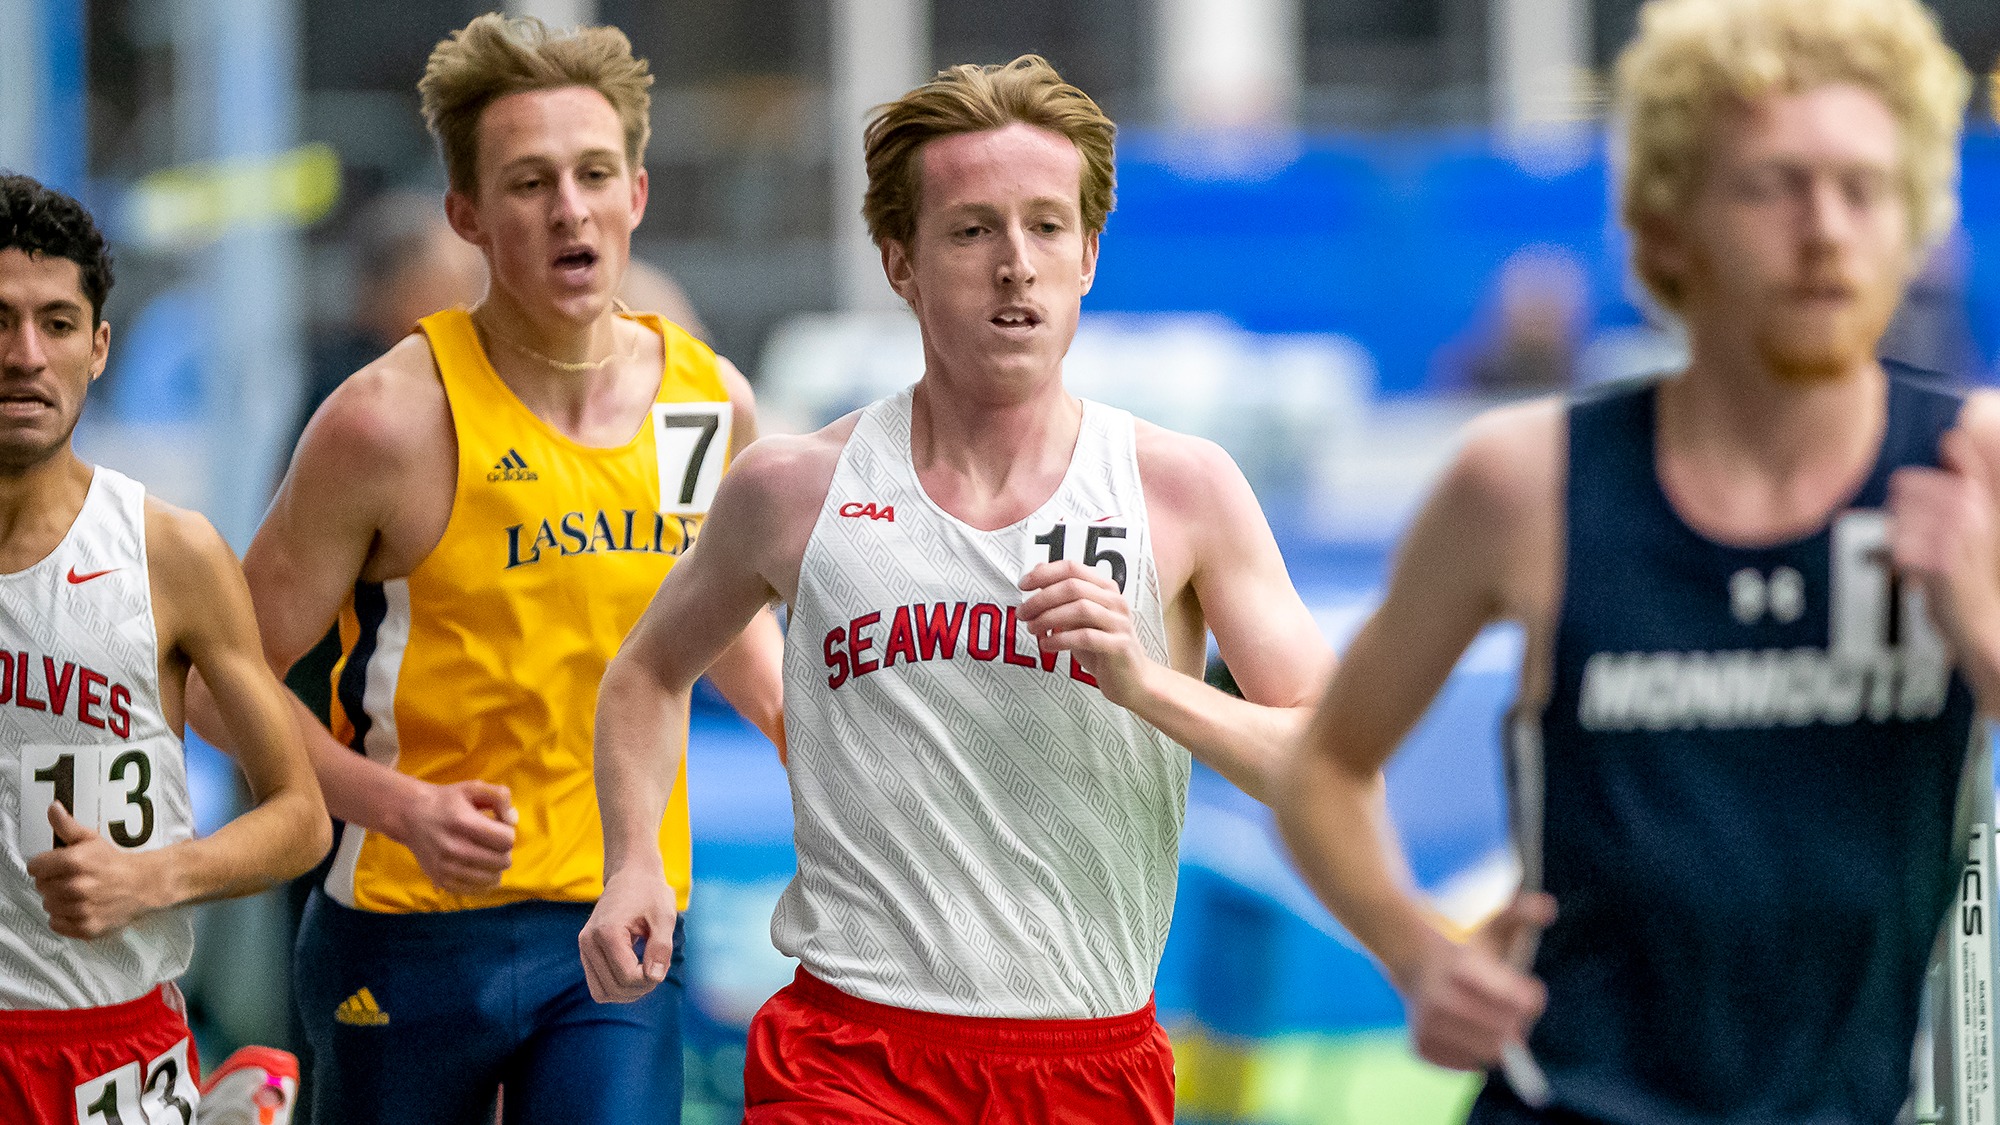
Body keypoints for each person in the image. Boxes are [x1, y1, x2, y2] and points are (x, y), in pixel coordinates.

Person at [1273, 0, 1992, 1121]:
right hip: (1568, 1102)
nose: (1824, 231)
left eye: (1863, 188)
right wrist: (1416, 954)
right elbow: (1323, 766)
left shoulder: (1969, 464)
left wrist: (1986, 635)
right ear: (1666, 226)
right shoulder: (1525, 483)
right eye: (1771, 185)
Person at [581, 55, 1334, 1124]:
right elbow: (646, 674)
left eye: (1045, 228)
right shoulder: (794, 487)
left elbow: (1330, 765)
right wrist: (632, 868)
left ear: (1088, 257)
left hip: (1090, 1059)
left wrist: (1145, 683)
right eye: (973, 230)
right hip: (848, 1056)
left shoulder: (1182, 489)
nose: (1014, 267)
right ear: (900, 262)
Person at [188, 14, 781, 1125]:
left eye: (593, 174)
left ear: (636, 195)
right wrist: (396, 805)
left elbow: (722, 615)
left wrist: (811, 740)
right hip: (406, 929)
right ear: (465, 214)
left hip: (618, 914)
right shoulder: (385, 423)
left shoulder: (705, 401)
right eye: (527, 182)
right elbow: (213, 686)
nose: (568, 207)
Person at [0, 175, 329, 1120]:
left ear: (99, 348)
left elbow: (300, 814)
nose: (28, 355)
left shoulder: (168, 551)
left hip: (111, 1046)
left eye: (58, 324)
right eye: (2, 319)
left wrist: (149, 877)